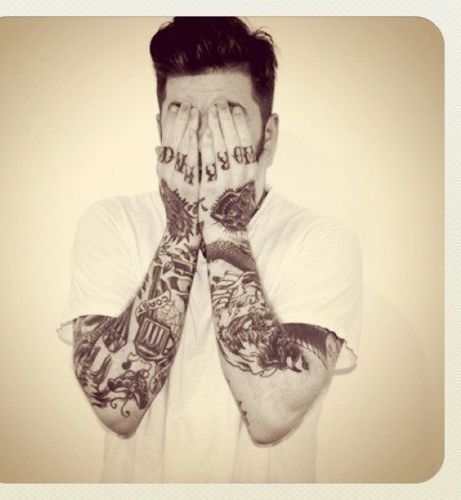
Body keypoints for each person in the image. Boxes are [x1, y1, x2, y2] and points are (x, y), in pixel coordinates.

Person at [57, 17, 362, 483]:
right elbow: (116, 407)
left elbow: (270, 414)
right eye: (182, 115)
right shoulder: (113, 224)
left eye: (226, 117)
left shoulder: (321, 240)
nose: (201, 140)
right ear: (161, 129)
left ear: (268, 138)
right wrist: (182, 227)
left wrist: (224, 224)